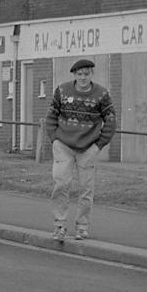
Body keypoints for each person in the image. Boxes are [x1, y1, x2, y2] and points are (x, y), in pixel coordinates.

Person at [46, 59, 116, 241]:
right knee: (61, 185)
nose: (83, 77)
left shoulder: (101, 94)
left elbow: (110, 121)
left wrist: (99, 145)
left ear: (91, 74)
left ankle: (82, 227)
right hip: (63, 145)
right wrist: (54, 139)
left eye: (86, 74)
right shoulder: (62, 91)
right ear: (74, 75)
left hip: (88, 148)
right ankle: (60, 225)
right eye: (79, 74)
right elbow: (51, 115)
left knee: (86, 189)